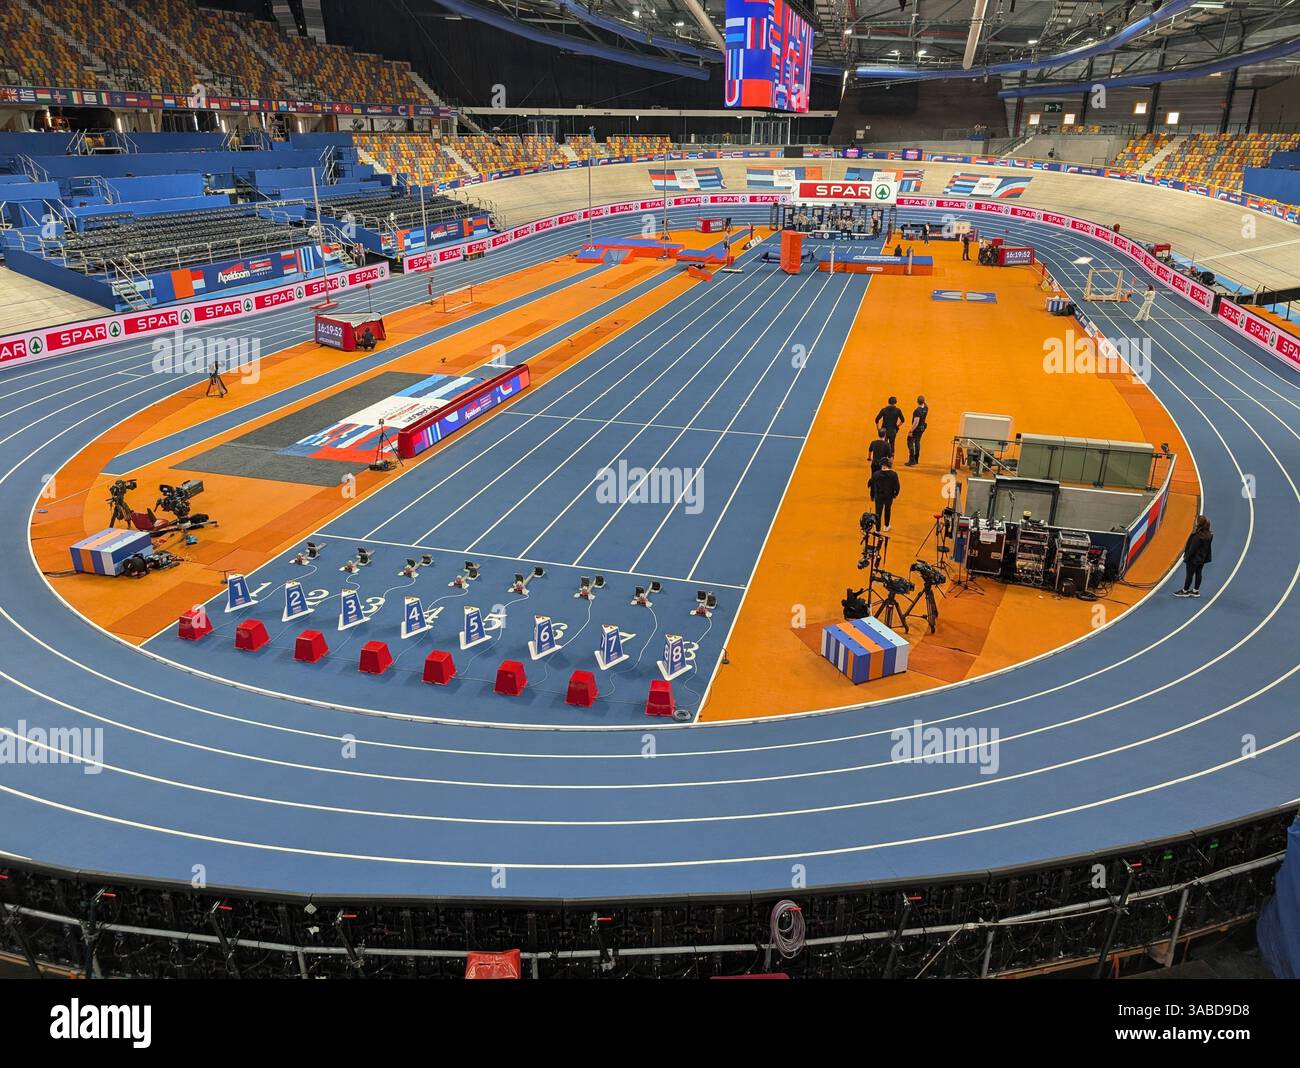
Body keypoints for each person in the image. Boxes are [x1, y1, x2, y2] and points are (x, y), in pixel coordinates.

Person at [1175, 515, 1213, 598]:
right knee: (1198, 573)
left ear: (1198, 523)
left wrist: (1186, 557)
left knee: (1189, 575)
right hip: (1202, 558)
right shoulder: (1209, 535)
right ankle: (1195, 591)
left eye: (1196, 520)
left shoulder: (1197, 536)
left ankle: (1185, 591)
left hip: (1193, 559)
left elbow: (1192, 549)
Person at [869, 457, 901, 532]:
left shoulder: (876, 474)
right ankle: (886, 526)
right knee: (887, 509)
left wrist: (872, 495)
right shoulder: (893, 474)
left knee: (878, 513)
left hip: (879, 496)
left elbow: (871, 484)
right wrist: (895, 494)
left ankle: (877, 530)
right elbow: (897, 486)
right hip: (889, 496)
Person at [905, 394, 929, 466]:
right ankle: (916, 459)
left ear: (917, 402)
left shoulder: (917, 411)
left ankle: (912, 460)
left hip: (917, 429)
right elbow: (925, 404)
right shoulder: (926, 408)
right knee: (917, 442)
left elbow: (916, 422)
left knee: (910, 441)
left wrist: (911, 431)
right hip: (922, 428)